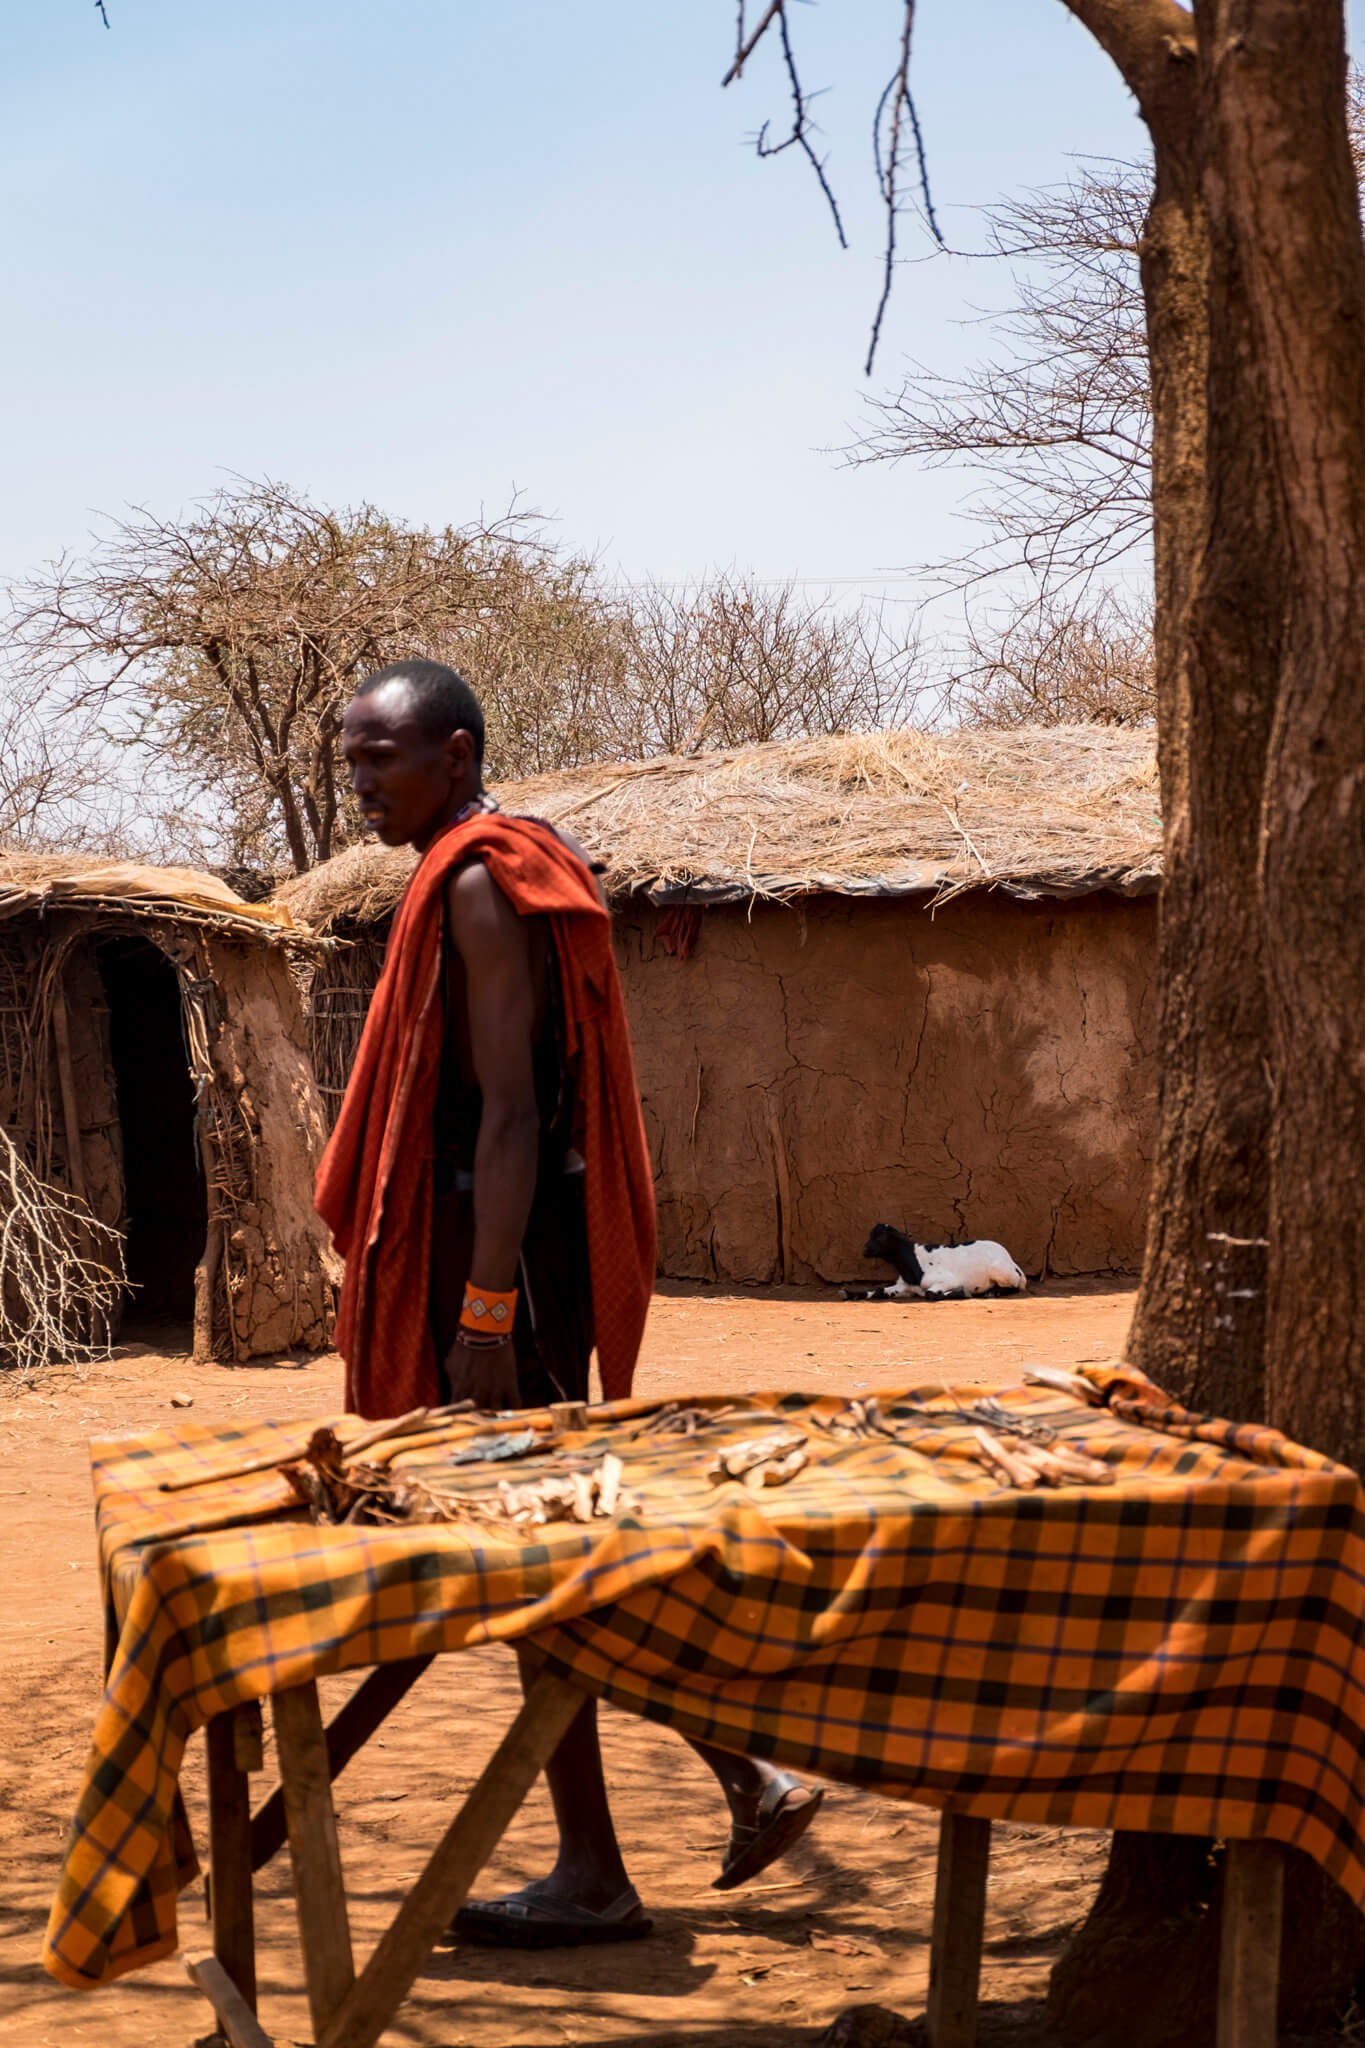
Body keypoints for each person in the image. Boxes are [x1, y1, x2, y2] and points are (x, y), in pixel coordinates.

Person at [316, 659, 822, 1948]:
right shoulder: (468, 874)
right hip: (487, 1254)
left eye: (381, 757)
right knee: (544, 1557)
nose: (359, 782)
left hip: (502, 1268)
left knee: (544, 1558)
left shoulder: (484, 884)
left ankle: (637, 1842)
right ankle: (708, 1791)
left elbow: (512, 1115)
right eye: (352, 759)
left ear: (460, 753)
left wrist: (484, 1312)